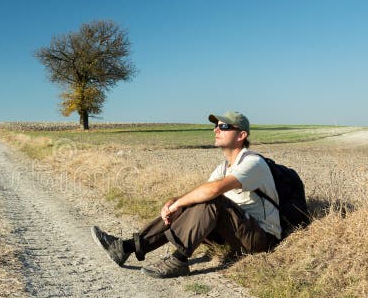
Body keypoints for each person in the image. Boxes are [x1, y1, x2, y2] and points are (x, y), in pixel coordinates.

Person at [92, 111, 281, 278]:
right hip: (235, 233)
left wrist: (179, 203)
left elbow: (213, 191)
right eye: (215, 126)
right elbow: (200, 192)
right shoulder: (224, 167)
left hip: (260, 238)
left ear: (241, 135)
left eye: (223, 126)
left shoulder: (253, 162)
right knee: (192, 201)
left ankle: (179, 260)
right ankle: (124, 248)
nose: (216, 130)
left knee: (211, 199)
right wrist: (175, 202)